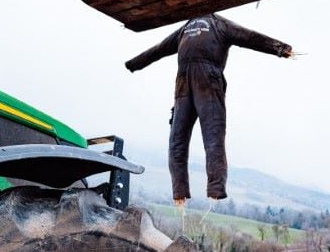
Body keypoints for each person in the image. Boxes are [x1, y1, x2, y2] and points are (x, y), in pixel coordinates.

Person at [125, 14, 293, 204]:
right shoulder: (209, 25)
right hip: (195, 82)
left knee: (188, 139)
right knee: (195, 138)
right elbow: (159, 49)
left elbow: (250, 38)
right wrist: (134, 63)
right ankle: (188, 192)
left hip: (193, 81)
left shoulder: (195, 26)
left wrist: (280, 48)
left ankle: (204, 190)